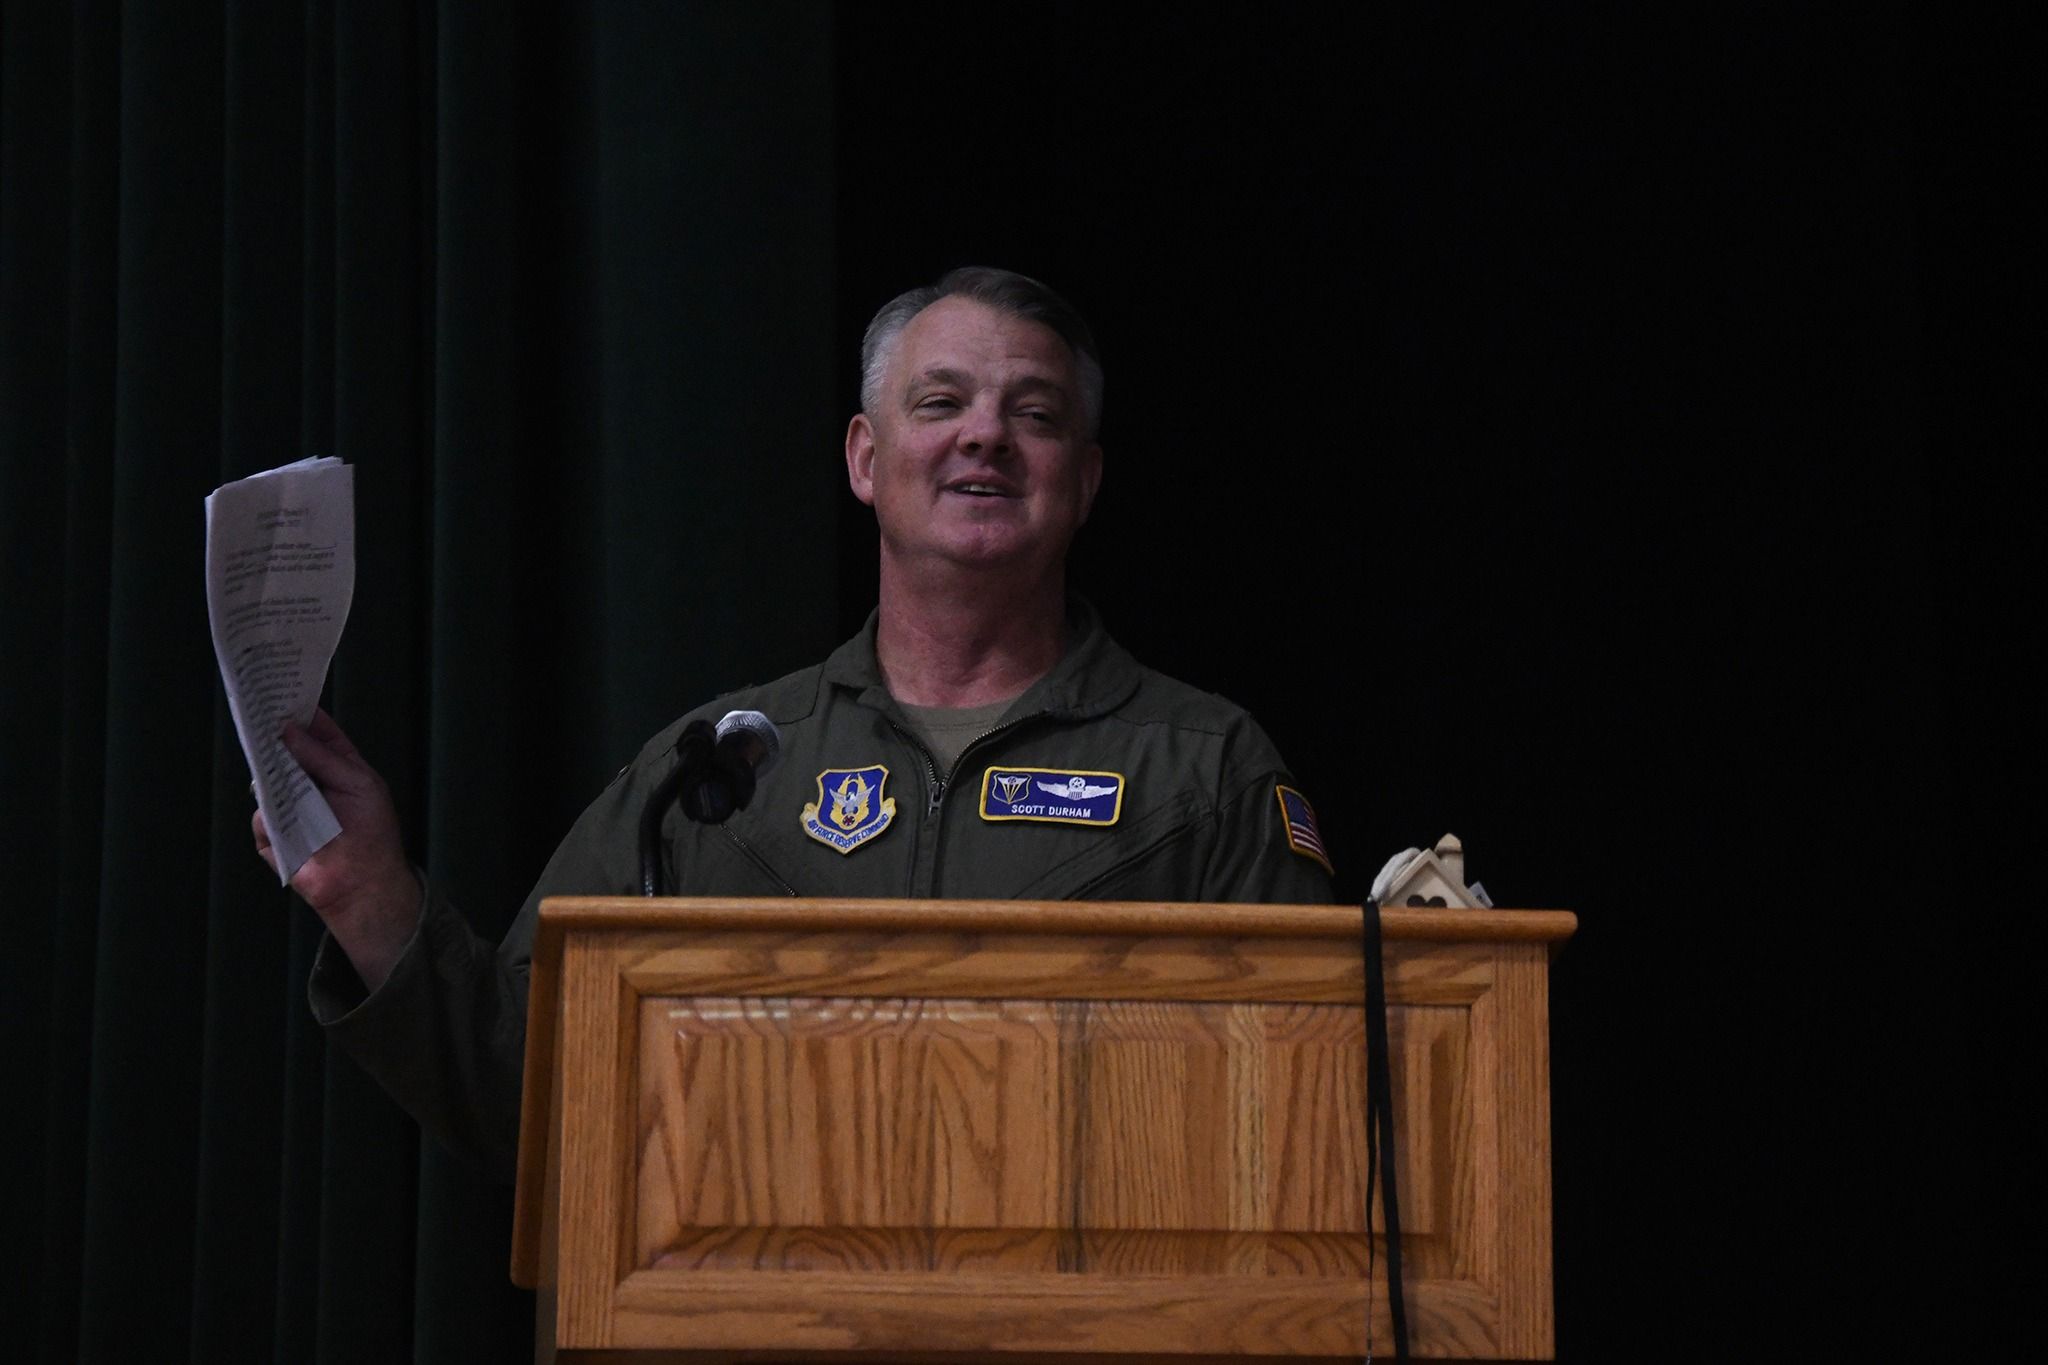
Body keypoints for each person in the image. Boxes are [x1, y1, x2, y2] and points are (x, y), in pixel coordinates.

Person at [256, 267, 1335, 1180]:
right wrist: (373, 900)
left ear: (1085, 480)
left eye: (1035, 415)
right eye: (940, 402)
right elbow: (532, 1095)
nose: (986, 438)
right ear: (866, 459)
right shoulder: (719, 771)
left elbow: (1306, 1117)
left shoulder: (1204, 772)